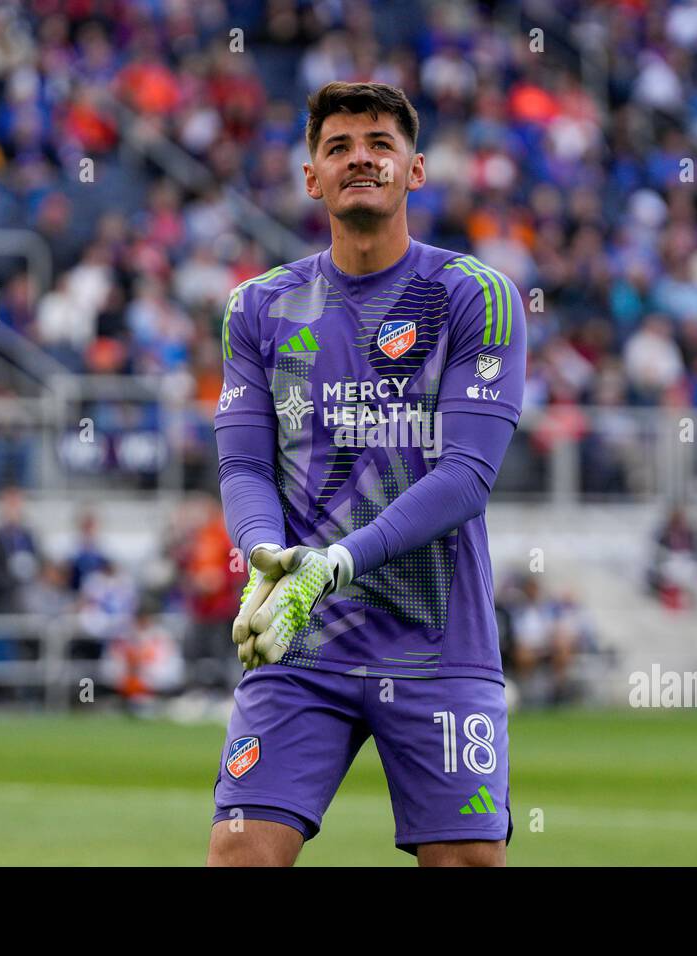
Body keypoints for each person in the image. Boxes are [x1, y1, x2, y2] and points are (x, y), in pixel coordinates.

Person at [209, 82, 526, 867]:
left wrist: (335, 563)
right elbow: (245, 463)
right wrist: (263, 558)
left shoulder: (473, 296)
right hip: (303, 643)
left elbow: (467, 475)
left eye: (381, 144)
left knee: (466, 863)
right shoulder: (258, 307)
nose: (361, 158)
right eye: (339, 146)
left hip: (436, 641)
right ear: (311, 176)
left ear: (413, 170)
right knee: (240, 855)